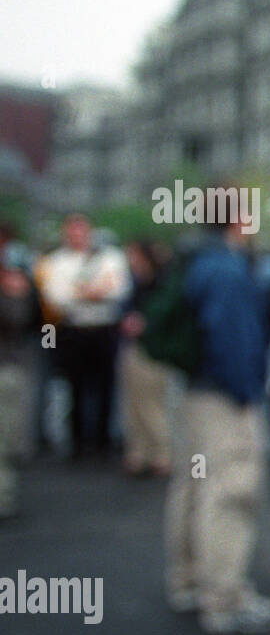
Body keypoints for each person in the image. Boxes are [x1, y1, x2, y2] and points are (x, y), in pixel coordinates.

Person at [162, 195, 270, 634]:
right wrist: (247, 390)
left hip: (194, 389)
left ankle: (188, 579)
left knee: (191, 485)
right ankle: (224, 596)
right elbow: (233, 337)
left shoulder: (196, 260)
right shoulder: (228, 268)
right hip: (224, 395)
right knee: (230, 490)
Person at [38, 215, 130, 457]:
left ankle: (102, 441)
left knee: (105, 386)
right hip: (74, 330)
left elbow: (119, 289)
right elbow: (55, 296)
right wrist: (94, 292)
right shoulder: (57, 261)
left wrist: (82, 292)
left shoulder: (110, 257)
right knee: (74, 386)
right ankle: (77, 441)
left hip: (104, 328)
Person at [118, 241, 173, 477]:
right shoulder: (135, 282)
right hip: (135, 346)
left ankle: (161, 452)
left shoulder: (160, 283)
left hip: (151, 349)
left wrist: (144, 325)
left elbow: (165, 315)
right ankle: (139, 452)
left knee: (151, 403)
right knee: (133, 403)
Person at [0, 219, 41, 518]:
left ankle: (4, 499)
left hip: (9, 365)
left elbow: (28, 320)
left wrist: (19, 295)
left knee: (6, 440)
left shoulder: (16, 281)